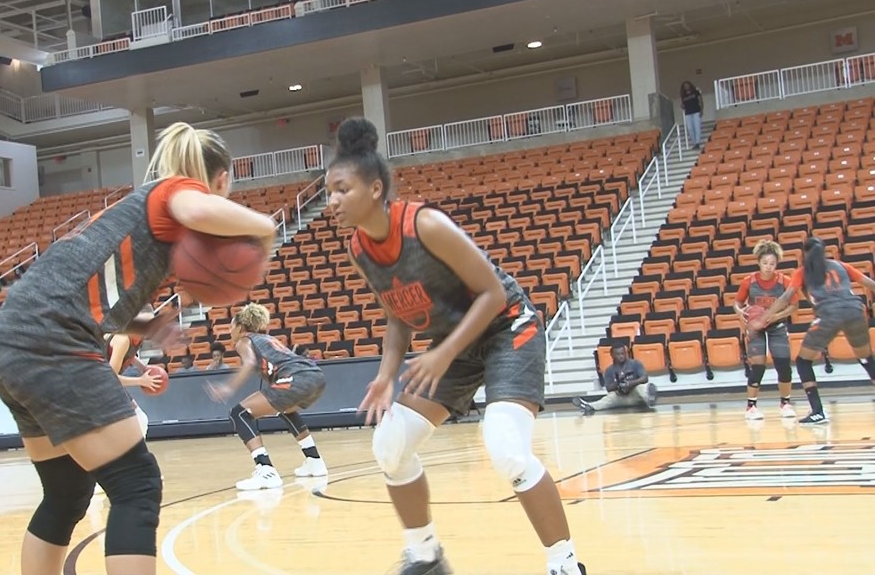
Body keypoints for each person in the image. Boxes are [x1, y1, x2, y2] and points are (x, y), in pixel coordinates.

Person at [0, 121, 276, 575]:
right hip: (53, 338)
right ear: (220, 181)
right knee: (135, 482)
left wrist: (151, 323)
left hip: (9, 338)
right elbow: (197, 211)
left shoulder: (133, 213)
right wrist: (265, 226)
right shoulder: (174, 191)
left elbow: (90, 293)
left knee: (66, 493)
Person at [324, 117, 587, 575]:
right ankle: (426, 555)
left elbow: (493, 294)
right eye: (328, 192)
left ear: (374, 189)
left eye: (341, 190)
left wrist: (443, 354)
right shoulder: (359, 248)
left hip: (507, 328)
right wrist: (387, 375)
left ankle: (565, 565)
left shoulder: (426, 224)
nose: (331, 202)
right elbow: (395, 317)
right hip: (451, 344)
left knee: (505, 446)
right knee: (389, 444)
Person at [751, 237, 875, 424]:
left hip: (828, 315)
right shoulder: (840, 265)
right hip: (855, 311)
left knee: (803, 361)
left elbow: (785, 298)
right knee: (866, 359)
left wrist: (763, 317)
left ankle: (818, 411)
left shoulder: (803, 272)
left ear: (805, 254)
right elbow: (870, 284)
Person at [205, 303, 329, 490]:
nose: (230, 331)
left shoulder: (244, 340)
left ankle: (266, 470)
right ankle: (314, 460)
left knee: (239, 413)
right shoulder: (267, 339)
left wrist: (228, 388)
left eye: (231, 327)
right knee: (285, 410)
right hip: (316, 376)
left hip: (296, 378)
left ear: (240, 327)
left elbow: (249, 363)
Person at [733, 239, 797, 420]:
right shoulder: (749, 281)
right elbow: (737, 303)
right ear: (758, 263)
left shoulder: (784, 280)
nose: (768, 267)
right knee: (758, 366)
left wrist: (773, 316)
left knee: (783, 365)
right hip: (756, 328)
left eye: (772, 263)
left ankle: (785, 404)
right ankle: (751, 407)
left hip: (777, 325)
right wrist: (741, 312)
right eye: (765, 263)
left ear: (777, 264)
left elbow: (794, 306)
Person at [572, 344, 657, 414]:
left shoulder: (635, 363)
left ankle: (650, 398)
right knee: (610, 397)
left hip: (636, 396)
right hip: (621, 398)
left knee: (642, 387)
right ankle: (589, 406)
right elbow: (609, 389)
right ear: (612, 355)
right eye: (618, 354)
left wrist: (630, 383)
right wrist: (618, 383)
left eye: (623, 354)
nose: (621, 356)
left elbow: (645, 378)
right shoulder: (609, 370)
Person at [106, 332, 162, 436]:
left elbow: (130, 355)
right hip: (96, 386)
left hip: (109, 388)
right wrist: (141, 380)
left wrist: (143, 368)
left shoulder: (137, 338)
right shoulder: (123, 340)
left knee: (139, 419)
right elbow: (110, 379)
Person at [680, 81, 704, 149]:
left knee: (697, 127)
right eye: (684, 86)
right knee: (690, 128)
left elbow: (701, 101)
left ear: (690, 85)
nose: (686, 87)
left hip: (696, 111)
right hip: (688, 113)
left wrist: (701, 110)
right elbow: (683, 104)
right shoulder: (683, 95)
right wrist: (682, 106)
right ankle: (694, 142)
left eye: (687, 85)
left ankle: (697, 143)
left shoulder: (696, 92)